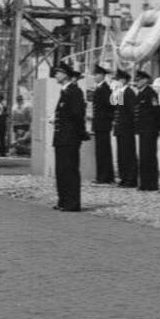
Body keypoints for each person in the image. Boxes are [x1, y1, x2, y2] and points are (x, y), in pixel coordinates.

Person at [51, 62, 86, 209]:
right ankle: (63, 200)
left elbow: (77, 115)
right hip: (61, 137)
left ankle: (72, 202)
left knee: (70, 170)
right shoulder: (65, 91)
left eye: (58, 72)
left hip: (70, 137)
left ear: (65, 75)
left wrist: (76, 134)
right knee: (61, 170)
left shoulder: (75, 91)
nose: (56, 75)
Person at [135, 68, 160, 191]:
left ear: (145, 80)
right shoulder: (140, 93)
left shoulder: (150, 93)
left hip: (150, 129)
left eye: (139, 80)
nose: (137, 82)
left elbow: (156, 111)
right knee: (144, 156)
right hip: (143, 129)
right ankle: (145, 182)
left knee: (149, 156)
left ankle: (151, 183)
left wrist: (157, 128)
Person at [89, 64, 115, 184]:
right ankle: (104, 175)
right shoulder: (100, 88)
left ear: (102, 76)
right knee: (101, 151)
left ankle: (104, 177)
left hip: (103, 124)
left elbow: (112, 105)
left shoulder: (105, 89)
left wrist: (107, 118)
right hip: (100, 123)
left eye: (97, 74)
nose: (95, 76)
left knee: (103, 151)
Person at [112, 70, 138, 187]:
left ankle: (130, 179)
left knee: (128, 154)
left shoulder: (129, 93)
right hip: (120, 128)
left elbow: (132, 112)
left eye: (117, 79)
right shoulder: (120, 93)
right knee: (121, 155)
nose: (115, 81)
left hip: (127, 129)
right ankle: (124, 177)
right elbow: (116, 108)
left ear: (123, 80)